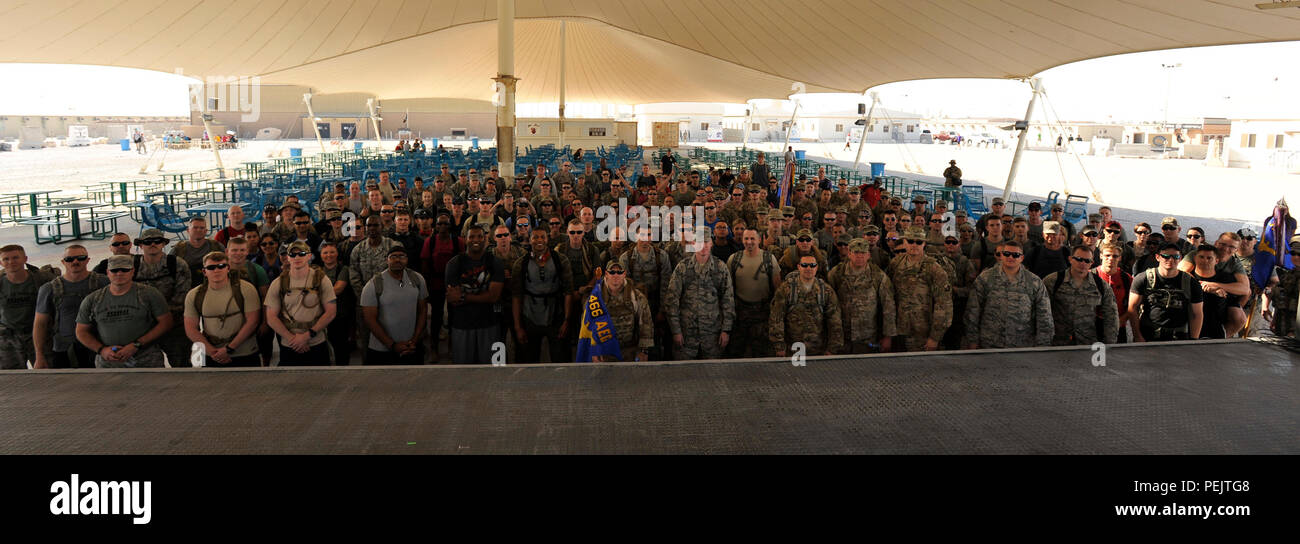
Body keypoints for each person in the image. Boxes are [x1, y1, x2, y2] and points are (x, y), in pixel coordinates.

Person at [75, 255, 173, 368]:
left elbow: (166, 323)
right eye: (114, 270)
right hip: (108, 362)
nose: (119, 273)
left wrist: (136, 345)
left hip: (146, 359)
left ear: (132, 271)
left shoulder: (149, 294)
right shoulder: (93, 300)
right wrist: (102, 350)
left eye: (125, 270)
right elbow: (81, 331)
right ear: (108, 272)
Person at [962, 240, 1053, 349]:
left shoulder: (1034, 282)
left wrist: (1043, 345)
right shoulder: (985, 279)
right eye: (1006, 254)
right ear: (1001, 255)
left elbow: (1044, 316)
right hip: (989, 344)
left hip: (1023, 345)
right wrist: (972, 341)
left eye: (1015, 255)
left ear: (1022, 258)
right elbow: (973, 311)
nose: (1010, 257)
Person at [662, 228, 735, 360]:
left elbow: (728, 301)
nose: (703, 246)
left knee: (713, 375)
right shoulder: (682, 267)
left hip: (712, 335)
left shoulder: (720, 268)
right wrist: (676, 331)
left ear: (711, 243)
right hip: (686, 335)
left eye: (706, 241)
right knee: (685, 375)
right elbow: (671, 301)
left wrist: (726, 330)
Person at [184, 251, 262, 367]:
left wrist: (229, 349)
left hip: (244, 352)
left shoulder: (246, 289)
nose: (216, 270)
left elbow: (253, 322)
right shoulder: (194, 295)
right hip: (209, 354)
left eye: (221, 266)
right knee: (205, 384)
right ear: (204, 272)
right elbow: (190, 328)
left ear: (228, 268)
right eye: (211, 267)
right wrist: (212, 352)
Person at [265, 241, 337, 365]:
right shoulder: (279, 283)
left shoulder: (321, 279)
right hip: (289, 345)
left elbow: (331, 312)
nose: (297, 257)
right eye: (292, 255)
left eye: (302, 254)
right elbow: (271, 317)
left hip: (316, 342)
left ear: (309, 256)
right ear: (287, 258)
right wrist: (292, 339)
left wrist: (307, 336)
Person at [34, 245, 104, 369]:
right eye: (69, 259)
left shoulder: (104, 283)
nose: (75, 262)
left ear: (88, 260)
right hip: (64, 349)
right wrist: (39, 355)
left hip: (99, 347)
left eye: (80, 258)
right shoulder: (49, 289)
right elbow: (40, 324)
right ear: (63, 262)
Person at [130, 228, 192, 368]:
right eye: (148, 242)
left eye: (157, 241)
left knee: (182, 365)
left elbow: (182, 296)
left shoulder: (177, 264)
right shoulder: (132, 266)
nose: (153, 244)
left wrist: (161, 318)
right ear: (141, 245)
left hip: (174, 325)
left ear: (163, 244)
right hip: (143, 328)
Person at [510, 230, 573, 364]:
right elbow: (516, 295)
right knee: (529, 359)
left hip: (555, 314)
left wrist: (566, 320)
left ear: (547, 239)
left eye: (542, 237)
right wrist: (518, 326)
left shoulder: (560, 260)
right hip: (530, 316)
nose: (539, 240)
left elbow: (568, 291)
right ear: (530, 239)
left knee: (560, 358)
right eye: (535, 237)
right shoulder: (521, 263)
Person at [445, 226, 506, 364]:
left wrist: (464, 297)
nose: (476, 240)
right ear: (465, 240)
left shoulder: (495, 262)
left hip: (491, 323)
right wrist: (481, 297)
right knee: (463, 370)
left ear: (485, 239)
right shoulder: (454, 264)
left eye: (479, 236)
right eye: (472, 236)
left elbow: (494, 297)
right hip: (462, 324)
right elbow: (453, 298)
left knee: (495, 367)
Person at [888, 227, 953, 351]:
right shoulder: (895, 264)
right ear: (904, 242)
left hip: (923, 333)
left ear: (924, 244)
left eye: (919, 242)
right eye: (910, 241)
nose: (914, 245)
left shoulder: (934, 268)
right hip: (898, 330)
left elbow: (944, 305)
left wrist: (935, 337)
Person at [361, 246, 428, 365]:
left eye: (402, 256)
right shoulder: (374, 285)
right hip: (382, 350)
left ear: (407, 259)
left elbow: (423, 310)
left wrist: (415, 340)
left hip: (411, 347)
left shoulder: (418, 279)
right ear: (386, 260)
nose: (398, 260)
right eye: (393, 257)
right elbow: (369, 319)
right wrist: (392, 345)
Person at [827, 238, 896, 354]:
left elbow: (888, 306)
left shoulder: (878, 276)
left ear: (868, 255)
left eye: (863, 253)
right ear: (849, 254)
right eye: (856, 252)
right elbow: (828, 304)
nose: (860, 256)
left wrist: (888, 336)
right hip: (842, 336)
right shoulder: (837, 273)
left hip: (867, 336)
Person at [1043, 245, 1119, 345]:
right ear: (1070, 259)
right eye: (1079, 259)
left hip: (1087, 343)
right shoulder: (1053, 281)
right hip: (1057, 342)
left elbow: (1111, 316)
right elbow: (1042, 311)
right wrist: (1043, 341)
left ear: (1092, 263)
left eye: (1087, 261)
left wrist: (1109, 343)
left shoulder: (1100, 285)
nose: (1082, 263)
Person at [770, 254, 844, 357]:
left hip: (819, 350)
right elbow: (776, 318)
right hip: (792, 350)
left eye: (812, 265)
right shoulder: (786, 289)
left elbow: (835, 321)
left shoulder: (826, 291)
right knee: (793, 373)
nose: (808, 268)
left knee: (817, 374)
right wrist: (779, 346)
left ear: (817, 267)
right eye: (804, 265)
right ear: (799, 267)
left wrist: (832, 349)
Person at [1128, 242, 1204, 342]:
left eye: (1175, 256)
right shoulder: (1143, 278)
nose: (1171, 260)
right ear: (1157, 257)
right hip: (1148, 334)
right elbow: (1132, 308)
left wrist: (1194, 340)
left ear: (1180, 258)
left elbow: (1197, 313)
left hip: (1178, 336)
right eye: (1166, 256)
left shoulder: (1191, 283)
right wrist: (1137, 336)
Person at [581, 261, 654, 362]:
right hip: (604, 353)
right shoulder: (595, 298)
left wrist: (644, 351)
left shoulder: (636, 296)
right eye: (612, 272)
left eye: (619, 272)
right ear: (606, 274)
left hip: (630, 352)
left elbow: (646, 324)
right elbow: (587, 327)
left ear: (624, 274)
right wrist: (593, 352)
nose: (616, 275)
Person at [349, 215, 398, 349]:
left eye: (375, 225)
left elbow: (399, 272)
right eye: (369, 225)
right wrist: (366, 297)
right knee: (366, 339)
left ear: (382, 227)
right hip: (365, 302)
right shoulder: (358, 250)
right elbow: (354, 277)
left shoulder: (393, 246)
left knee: (390, 336)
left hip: (390, 301)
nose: (372, 228)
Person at [318, 242, 353, 365]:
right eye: (325, 252)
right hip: (321, 315)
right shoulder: (317, 271)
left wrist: (316, 295)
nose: (329, 255)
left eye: (332, 252)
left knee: (340, 347)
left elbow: (337, 289)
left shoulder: (344, 269)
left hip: (339, 315)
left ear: (337, 254)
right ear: (321, 255)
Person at [1095, 242, 1135, 343]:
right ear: (1101, 256)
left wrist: (1121, 320)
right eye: (1107, 255)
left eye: (1115, 256)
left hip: (1118, 325)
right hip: (1092, 326)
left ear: (1120, 258)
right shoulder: (1091, 276)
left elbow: (1133, 305)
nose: (1111, 259)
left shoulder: (1126, 279)